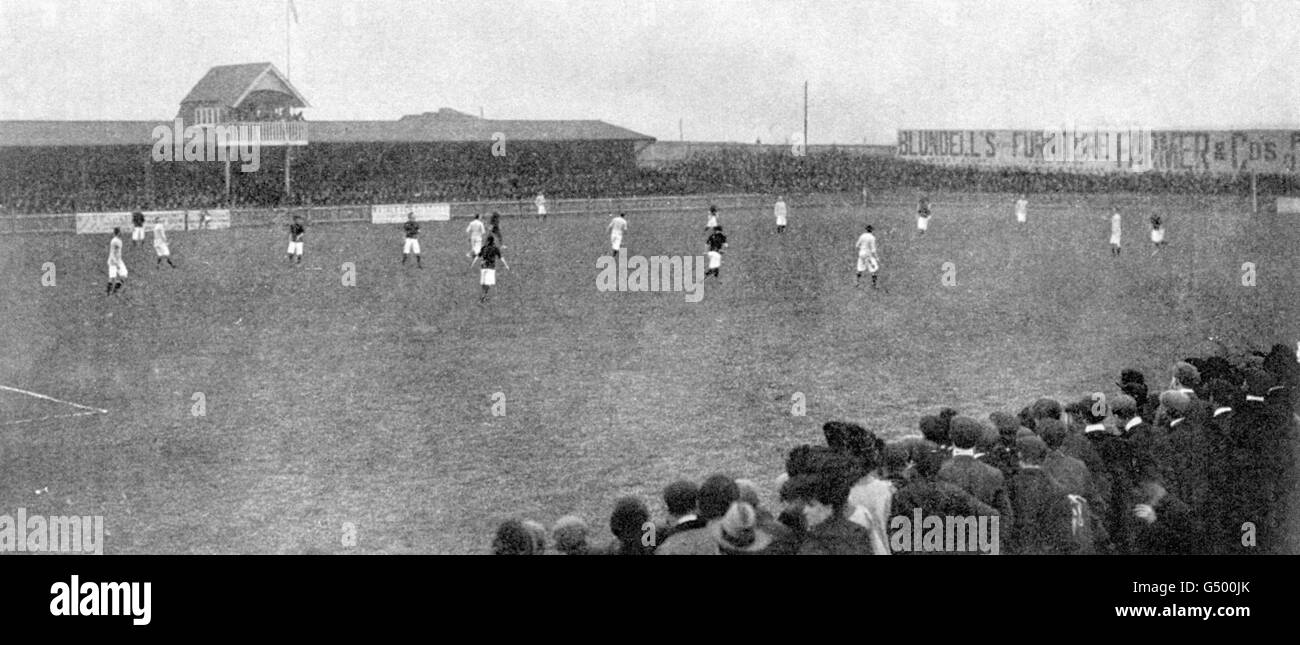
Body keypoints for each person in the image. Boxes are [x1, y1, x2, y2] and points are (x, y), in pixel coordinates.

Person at [469, 235, 509, 303]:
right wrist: (506, 265)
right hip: (491, 267)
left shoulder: (484, 248)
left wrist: (472, 264)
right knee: (488, 283)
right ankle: (485, 296)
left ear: (487, 241)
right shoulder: (495, 248)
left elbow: (477, 257)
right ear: (493, 241)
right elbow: (501, 257)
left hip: (483, 267)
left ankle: (483, 296)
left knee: (483, 282)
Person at [855, 224, 879, 289]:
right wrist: (876, 257)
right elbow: (873, 250)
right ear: (872, 230)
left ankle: (857, 282)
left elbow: (857, 245)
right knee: (874, 269)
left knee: (860, 268)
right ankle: (874, 285)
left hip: (861, 254)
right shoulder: (872, 238)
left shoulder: (862, 236)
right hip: (868, 255)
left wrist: (862, 248)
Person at [106, 227, 127, 296]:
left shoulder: (119, 240)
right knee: (112, 277)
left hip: (119, 260)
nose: (122, 233)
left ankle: (115, 290)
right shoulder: (114, 241)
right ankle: (108, 292)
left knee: (124, 274)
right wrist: (115, 263)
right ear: (118, 233)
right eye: (121, 232)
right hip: (113, 261)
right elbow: (112, 253)